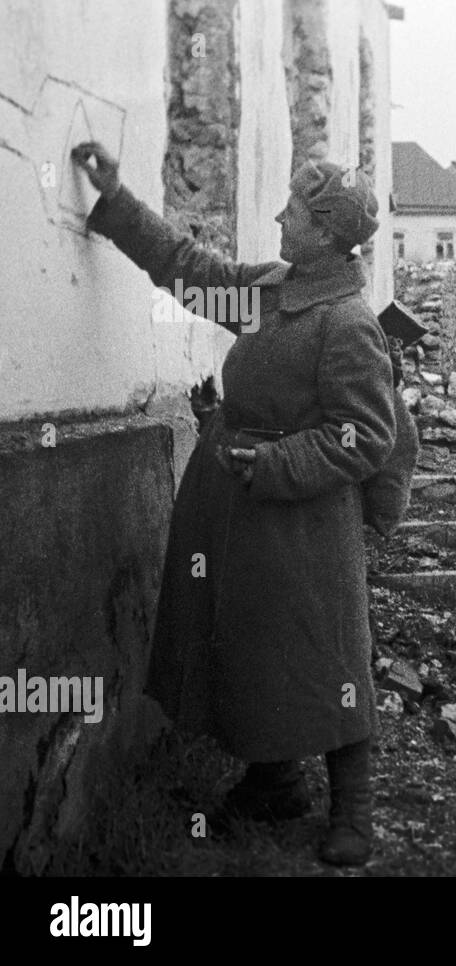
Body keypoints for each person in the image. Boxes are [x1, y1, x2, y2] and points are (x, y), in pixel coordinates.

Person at [71, 142, 395, 866]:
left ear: (327, 229)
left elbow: (366, 435)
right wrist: (118, 200)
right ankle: (272, 782)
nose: (279, 214)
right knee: (252, 645)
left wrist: (280, 461)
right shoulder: (277, 287)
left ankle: (355, 811)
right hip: (241, 504)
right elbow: (195, 274)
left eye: (294, 208)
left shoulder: (346, 322)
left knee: (329, 654)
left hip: (305, 520)